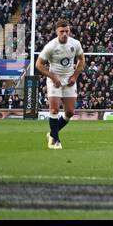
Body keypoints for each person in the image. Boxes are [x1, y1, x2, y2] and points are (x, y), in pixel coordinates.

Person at [35, 18, 84, 150]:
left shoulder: (75, 44)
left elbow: (81, 59)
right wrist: (52, 76)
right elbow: (39, 64)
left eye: (67, 31)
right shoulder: (51, 46)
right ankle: (55, 141)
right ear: (57, 31)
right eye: (62, 31)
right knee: (54, 109)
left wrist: (75, 75)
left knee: (69, 112)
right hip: (54, 80)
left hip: (69, 80)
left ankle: (51, 133)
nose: (65, 34)